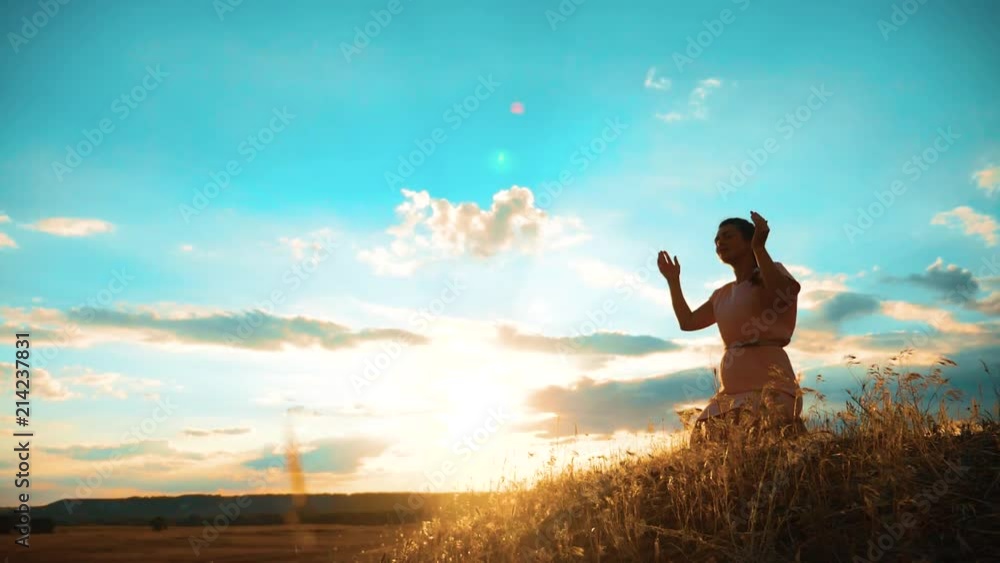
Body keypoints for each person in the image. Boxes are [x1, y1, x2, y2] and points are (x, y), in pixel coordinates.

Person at [658, 211, 805, 442]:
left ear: (749, 240)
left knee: (767, 440)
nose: (720, 243)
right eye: (717, 240)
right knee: (704, 440)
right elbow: (687, 322)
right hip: (731, 391)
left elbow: (781, 293)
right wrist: (673, 281)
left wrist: (760, 248)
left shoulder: (771, 271)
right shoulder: (722, 294)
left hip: (771, 384)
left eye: (727, 236)